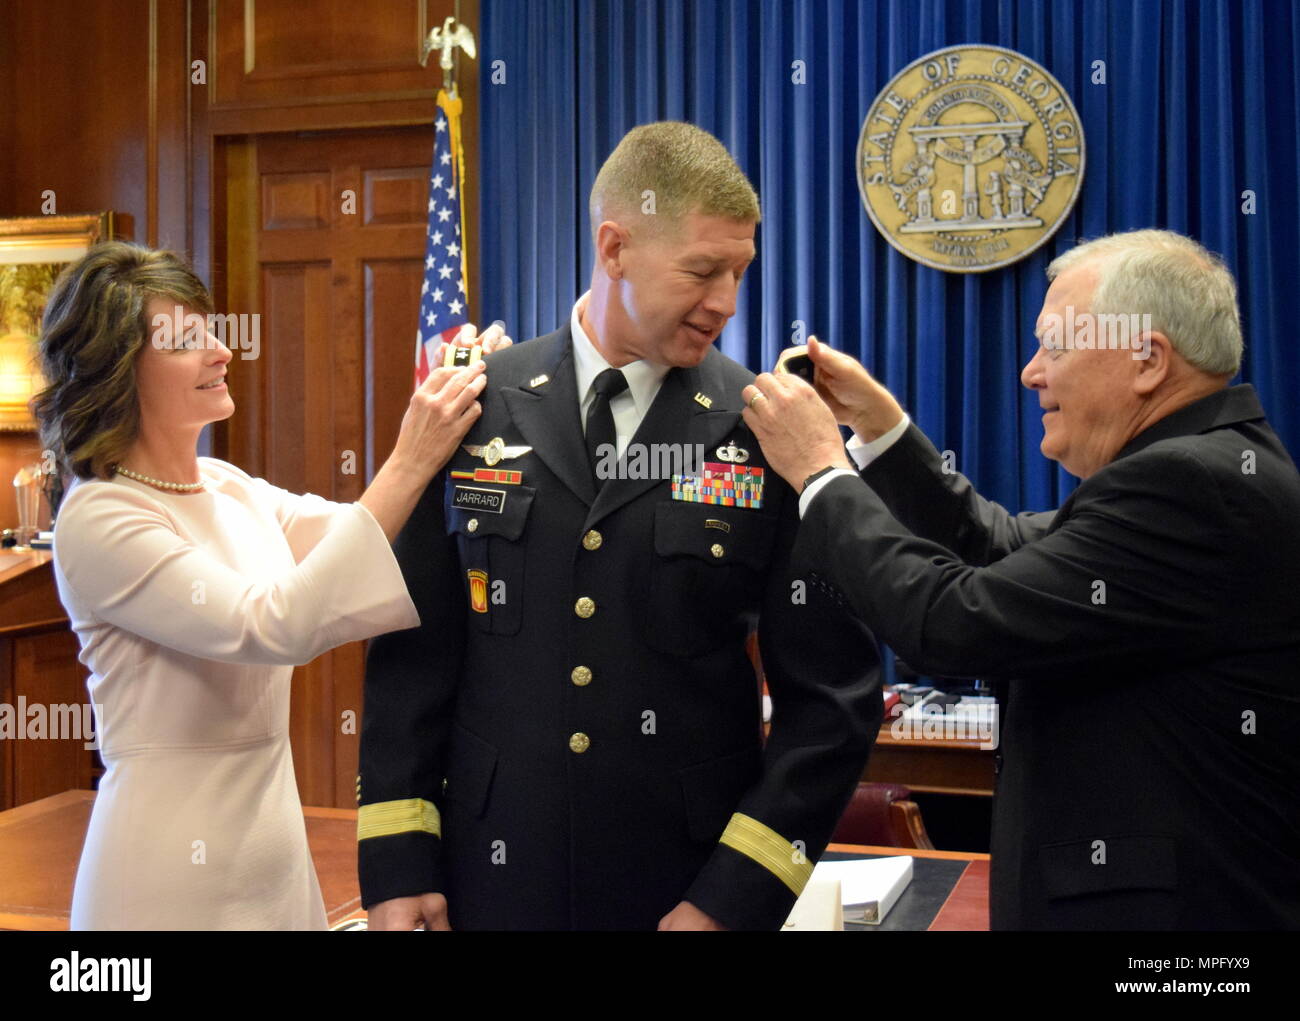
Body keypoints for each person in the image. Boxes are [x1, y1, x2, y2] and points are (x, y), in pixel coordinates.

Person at [358, 122, 882, 931]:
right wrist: (398, 862)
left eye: (741, 271)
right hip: (493, 877)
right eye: (704, 270)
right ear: (614, 247)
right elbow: (412, 657)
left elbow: (831, 703)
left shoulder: (766, 426)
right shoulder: (470, 402)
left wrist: (732, 899)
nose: (728, 303)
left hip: (683, 889)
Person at [742, 229, 1300, 930]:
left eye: (1054, 347)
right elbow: (997, 549)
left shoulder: (1194, 484)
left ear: (1148, 360)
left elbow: (954, 622)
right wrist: (876, 426)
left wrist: (821, 473)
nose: (1031, 372)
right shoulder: (1197, 468)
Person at [34, 241, 499, 930]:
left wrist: (460, 406)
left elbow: (369, 539)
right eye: (188, 338)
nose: (222, 349)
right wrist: (410, 455)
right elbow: (274, 623)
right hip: (162, 878)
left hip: (274, 861)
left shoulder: (226, 486)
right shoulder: (98, 516)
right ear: (118, 371)